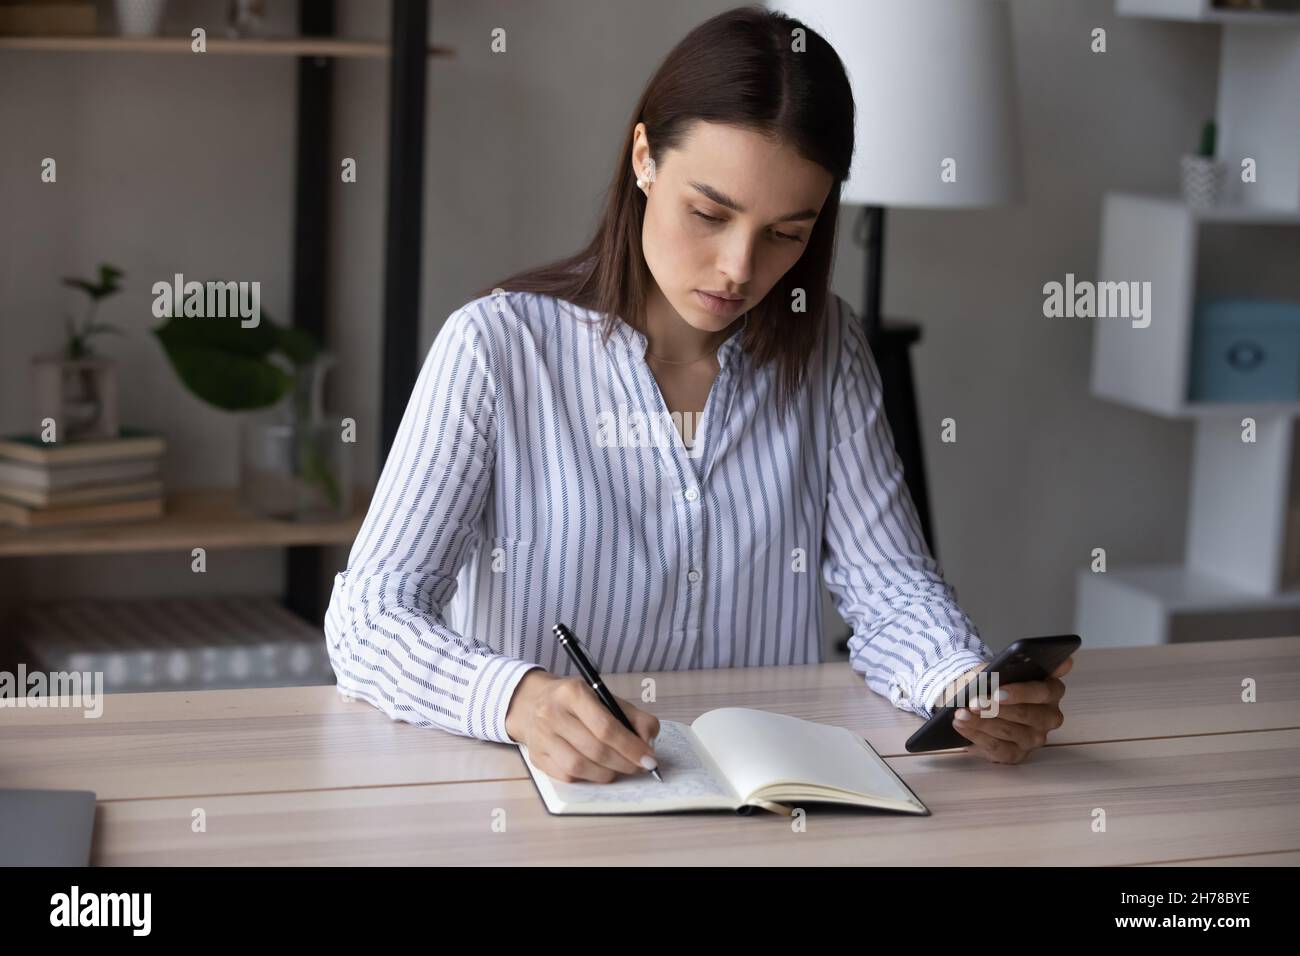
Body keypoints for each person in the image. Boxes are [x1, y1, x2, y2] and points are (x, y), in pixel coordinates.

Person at [324, 6, 1069, 783]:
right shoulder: (497, 349)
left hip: (774, 806)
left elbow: (891, 592)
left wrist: (963, 684)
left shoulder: (827, 351)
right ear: (644, 159)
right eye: (709, 214)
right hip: (548, 805)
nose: (738, 269)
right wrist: (519, 700)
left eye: (787, 232)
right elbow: (369, 618)